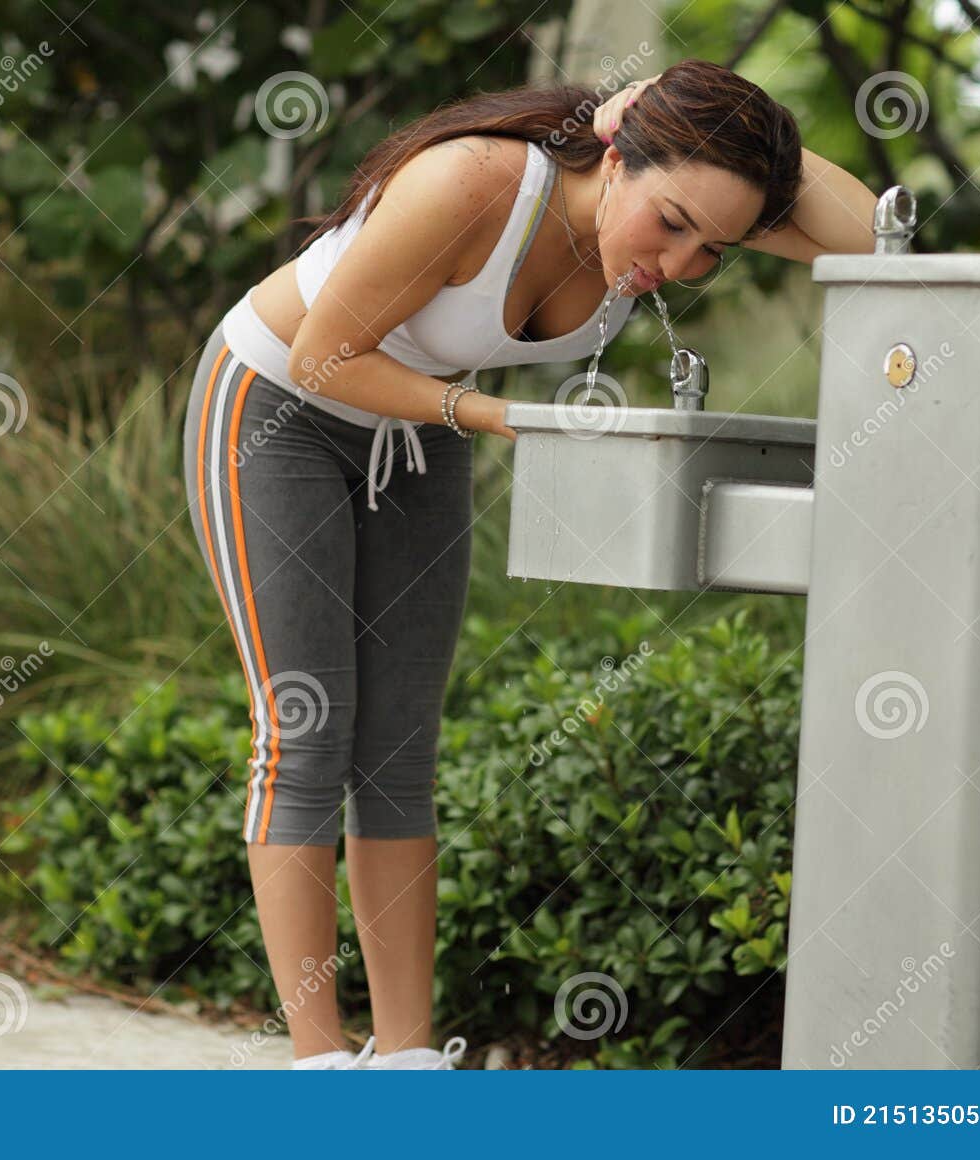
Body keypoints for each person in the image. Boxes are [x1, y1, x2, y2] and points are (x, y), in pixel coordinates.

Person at [181, 58, 879, 1070]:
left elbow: (874, 242)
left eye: (713, 250)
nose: (681, 262)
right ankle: (319, 1066)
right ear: (617, 155)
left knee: (399, 748)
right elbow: (323, 354)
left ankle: (406, 1061)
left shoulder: (675, 206)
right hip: (276, 411)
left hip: (422, 425)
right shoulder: (475, 182)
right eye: (672, 223)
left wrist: (749, 135)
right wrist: (495, 414)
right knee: (306, 730)